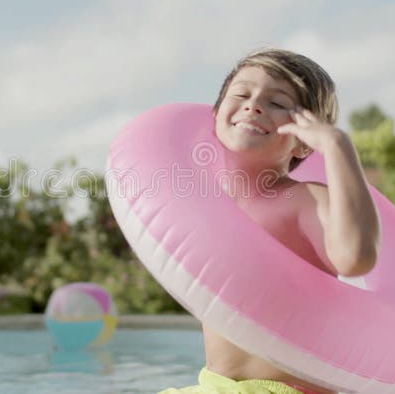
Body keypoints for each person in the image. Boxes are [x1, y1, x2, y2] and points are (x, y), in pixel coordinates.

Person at [160, 48, 381, 394]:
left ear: (304, 143)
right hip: (215, 386)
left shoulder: (303, 200)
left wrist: (338, 147)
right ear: (217, 115)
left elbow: (355, 258)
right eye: (242, 94)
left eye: (278, 103)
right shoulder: (204, 207)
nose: (254, 105)